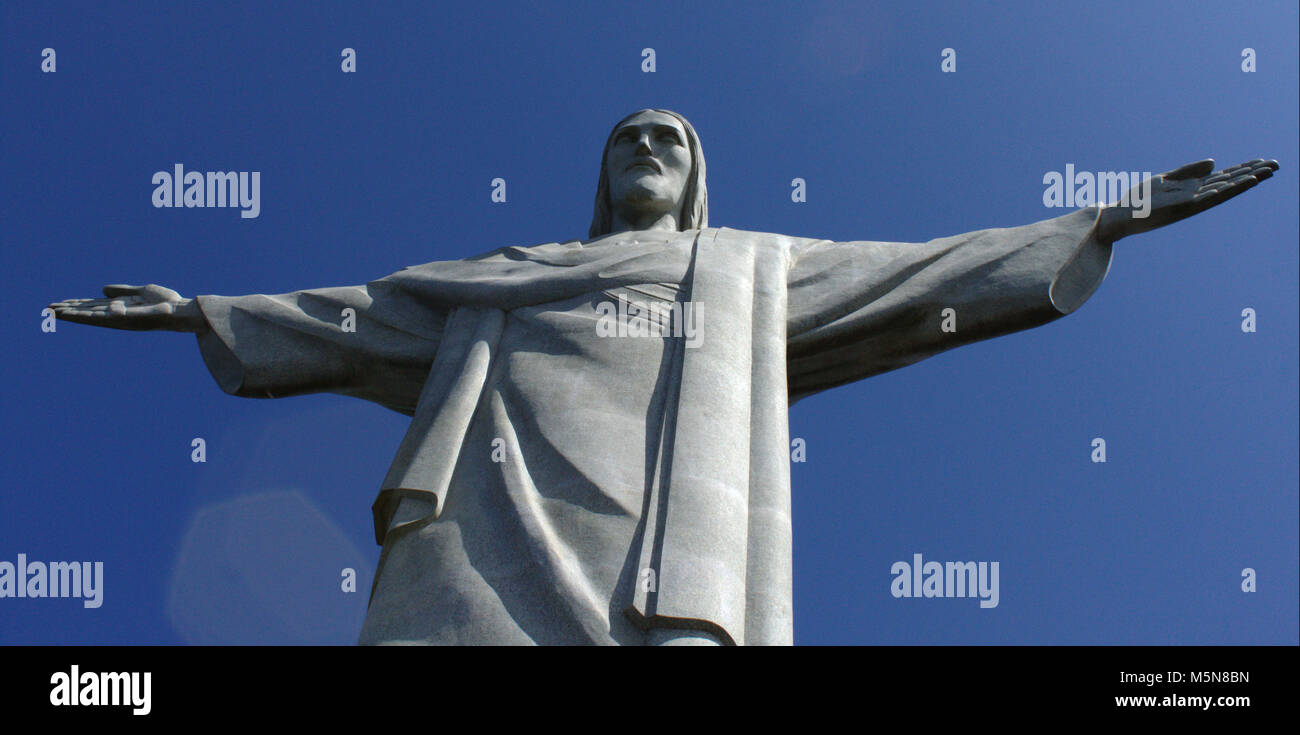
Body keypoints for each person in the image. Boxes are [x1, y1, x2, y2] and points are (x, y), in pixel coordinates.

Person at [50, 109, 1277, 645]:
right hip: (480, 523)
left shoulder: (748, 269)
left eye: (669, 139)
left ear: (696, 177)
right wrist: (196, 310)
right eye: (627, 136)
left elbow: (928, 270)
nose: (646, 147)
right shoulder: (504, 272)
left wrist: (1106, 216)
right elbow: (356, 312)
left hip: (664, 536)